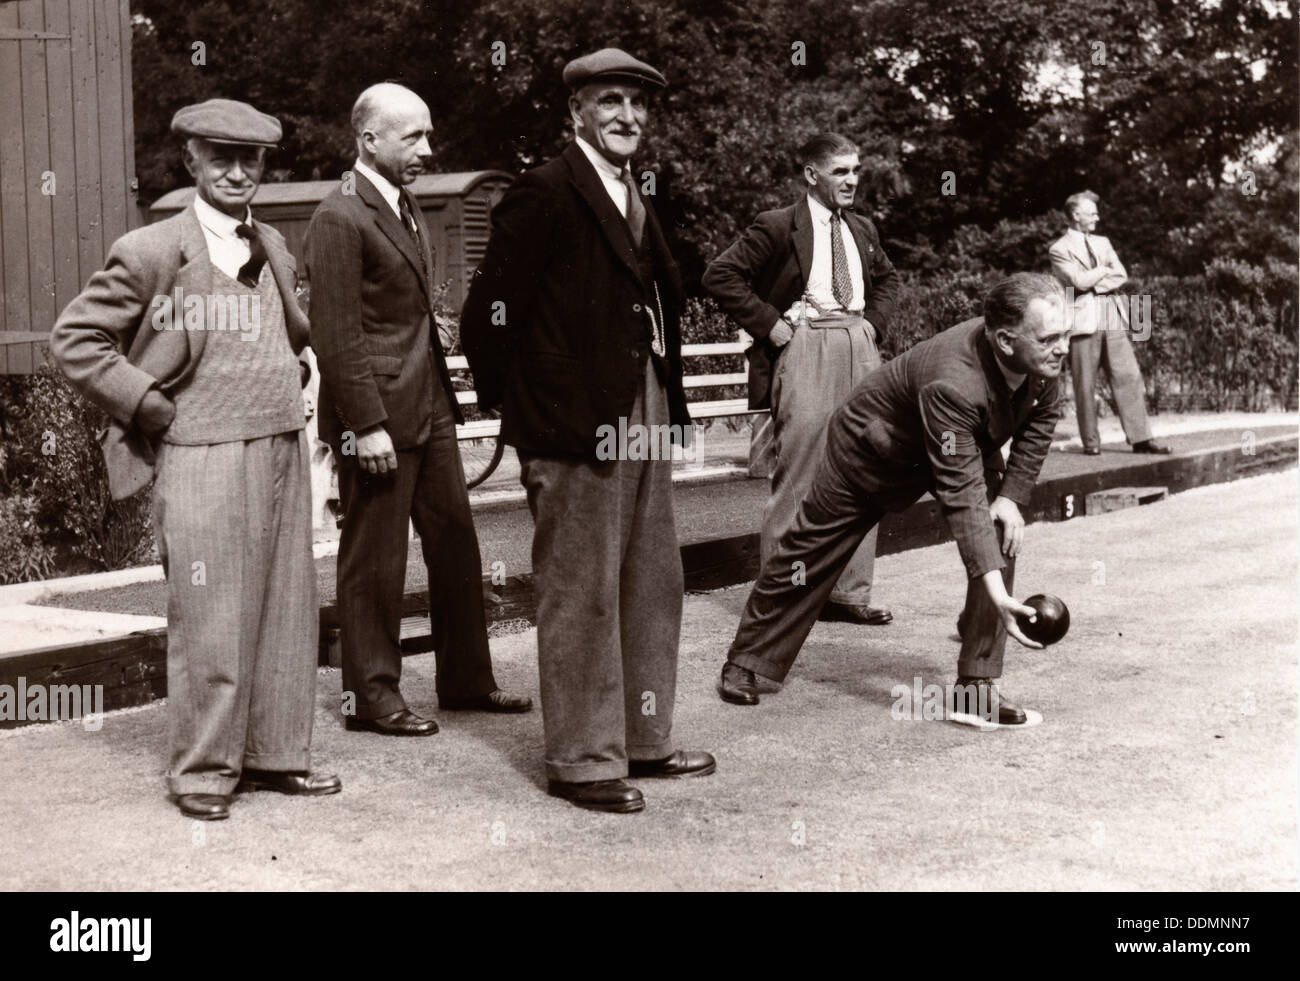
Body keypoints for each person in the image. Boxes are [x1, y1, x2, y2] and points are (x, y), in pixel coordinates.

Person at [51, 98, 338, 820]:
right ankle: (205, 770)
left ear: (265, 164)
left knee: (284, 608)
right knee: (211, 613)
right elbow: (77, 339)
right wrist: (145, 402)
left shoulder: (271, 240)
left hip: (280, 441)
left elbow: (288, 328)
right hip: (201, 449)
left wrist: (295, 366)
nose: (237, 172)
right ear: (192, 162)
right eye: (221, 158)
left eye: (251, 159)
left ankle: (276, 755)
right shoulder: (153, 249)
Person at [461, 49, 715, 813]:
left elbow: (659, 295)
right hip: (575, 425)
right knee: (581, 589)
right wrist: (534, 415)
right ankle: (582, 758)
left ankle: (644, 736)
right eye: (610, 103)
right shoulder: (543, 192)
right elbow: (488, 319)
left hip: (642, 411)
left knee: (651, 579)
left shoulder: (635, 193)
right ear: (575, 112)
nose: (627, 118)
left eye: (639, 105)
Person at [717, 272, 1070, 725]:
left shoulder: (1043, 362)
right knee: (809, 554)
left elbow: (1040, 423)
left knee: (1001, 528)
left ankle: (976, 686)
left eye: (1065, 334)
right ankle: (747, 661)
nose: (1062, 347)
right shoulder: (953, 380)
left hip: (958, 442)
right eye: (1049, 339)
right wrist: (1000, 592)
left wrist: (1012, 497)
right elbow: (963, 495)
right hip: (875, 448)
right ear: (1005, 341)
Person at [305, 83, 531, 737]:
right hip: (377, 415)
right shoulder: (339, 216)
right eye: (414, 137)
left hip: (428, 404)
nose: (428, 149)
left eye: (429, 135)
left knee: (456, 542)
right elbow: (337, 332)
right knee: (376, 556)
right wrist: (366, 423)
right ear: (369, 139)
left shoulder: (404, 204)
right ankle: (373, 696)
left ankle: (465, 679)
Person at [703, 133, 899, 627]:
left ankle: (848, 592)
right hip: (805, 345)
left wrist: (873, 323)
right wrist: (771, 324)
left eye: (857, 170)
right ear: (812, 175)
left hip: (860, 343)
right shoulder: (776, 225)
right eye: (841, 172)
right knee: (801, 472)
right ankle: (782, 599)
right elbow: (720, 275)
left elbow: (890, 280)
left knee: (865, 465)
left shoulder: (862, 228)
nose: (852, 180)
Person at [1048, 190, 1171, 456]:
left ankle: (1141, 440)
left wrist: (1093, 279)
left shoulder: (1103, 242)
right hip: (1082, 319)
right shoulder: (1058, 249)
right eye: (1092, 213)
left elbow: (1121, 275)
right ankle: (1091, 443)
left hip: (1112, 315)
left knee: (1129, 375)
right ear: (1075, 215)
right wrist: (1103, 271)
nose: (1097, 217)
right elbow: (1076, 283)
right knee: (1084, 384)